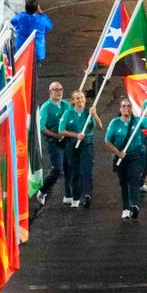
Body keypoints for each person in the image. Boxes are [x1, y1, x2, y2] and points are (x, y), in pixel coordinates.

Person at [104, 97, 147, 220]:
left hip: (135, 156)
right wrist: (118, 153)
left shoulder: (138, 121)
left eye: (128, 106)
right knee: (124, 183)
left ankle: (135, 205)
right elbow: (107, 141)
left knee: (134, 179)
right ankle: (126, 208)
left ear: (131, 109)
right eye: (124, 106)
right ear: (120, 108)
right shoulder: (114, 123)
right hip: (121, 157)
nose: (126, 108)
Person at [34, 82, 69, 210]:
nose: (59, 92)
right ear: (50, 92)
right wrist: (56, 135)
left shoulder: (65, 104)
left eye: (60, 89)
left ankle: (69, 195)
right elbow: (42, 127)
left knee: (69, 167)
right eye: (56, 90)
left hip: (66, 139)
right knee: (57, 169)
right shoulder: (46, 107)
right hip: (53, 141)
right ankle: (43, 191)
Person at [63, 90, 95, 209]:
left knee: (86, 170)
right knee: (75, 172)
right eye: (77, 98)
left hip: (87, 145)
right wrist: (75, 135)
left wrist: (94, 114)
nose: (80, 100)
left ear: (85, 100)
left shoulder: (88, 113)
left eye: (82, 98)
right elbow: (61, 130)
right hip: (72, 146)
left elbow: (100, 126)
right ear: (73, 101)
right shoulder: (68, 113)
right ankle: (76, 197)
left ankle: (87, 195)